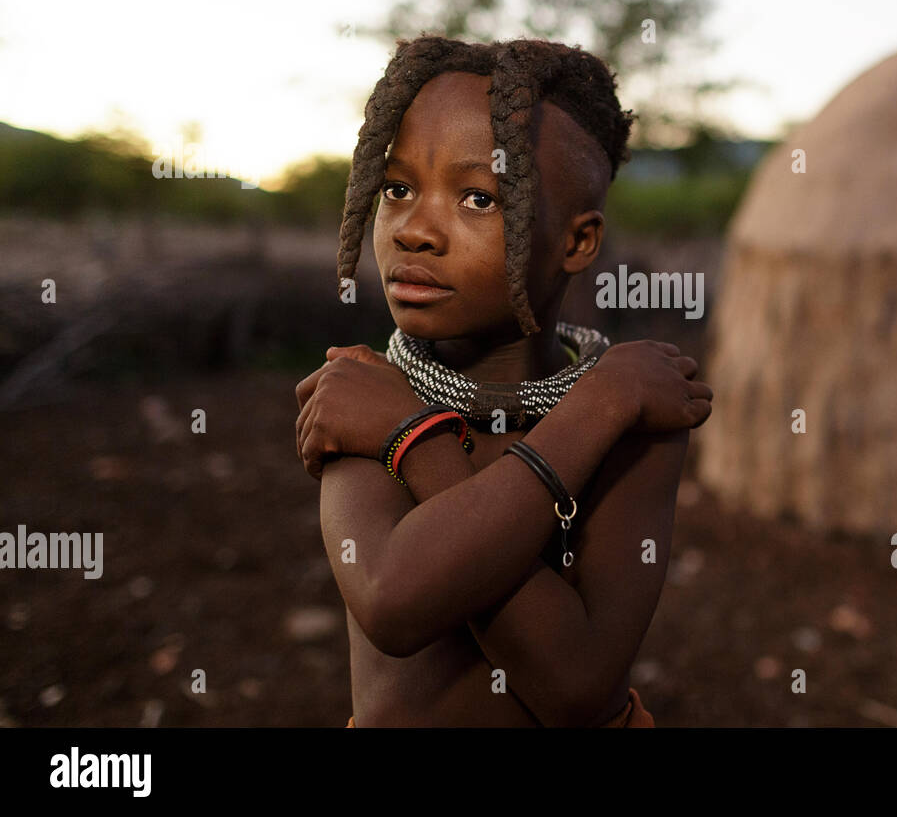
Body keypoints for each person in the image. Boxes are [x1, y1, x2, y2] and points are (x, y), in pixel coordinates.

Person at [293, 36, 712, 726]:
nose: (415, 230)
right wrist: (594, 404)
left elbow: (575, 685)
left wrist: (408, 443)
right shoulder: (363, 398)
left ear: (577, 242)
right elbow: (395, 603)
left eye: (479, 199)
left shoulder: (641, 423)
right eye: (397, 189)